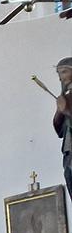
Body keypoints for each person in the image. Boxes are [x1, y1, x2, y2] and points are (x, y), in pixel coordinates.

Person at [54, 57, 72, 202]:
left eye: (64, 72)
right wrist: (60, 112)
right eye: (59, 73)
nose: (61, 77)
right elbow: (59, 130)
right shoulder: (66, 97)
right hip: (68, 150)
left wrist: (65, 109)